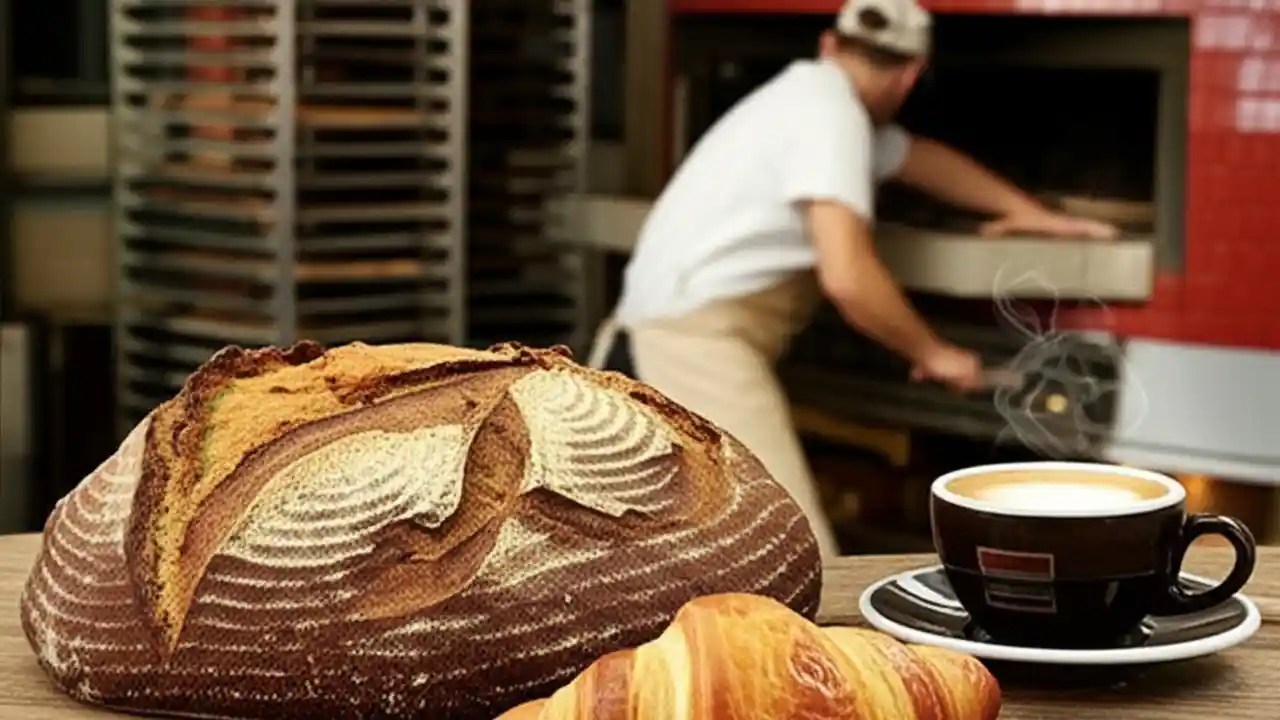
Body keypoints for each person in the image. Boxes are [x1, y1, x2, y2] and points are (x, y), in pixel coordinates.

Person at [587, 0, 1118, 561]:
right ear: (911, 75)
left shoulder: (808, 98)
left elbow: (920, 159)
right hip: (693, 347)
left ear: (830, 45)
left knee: (690, 553)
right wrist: (933, 351)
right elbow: (848, 276)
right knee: (790, 551)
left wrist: (1029, 214)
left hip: (662, 333)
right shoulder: (831, 114)